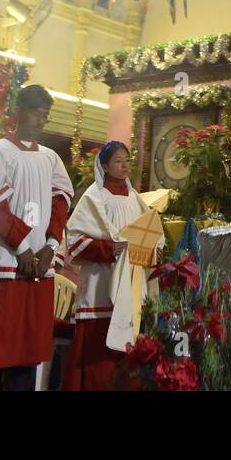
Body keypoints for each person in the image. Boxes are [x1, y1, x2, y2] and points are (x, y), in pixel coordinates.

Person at [0, 86, 73, 390]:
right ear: (19, 111)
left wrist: (49, 246)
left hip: (36, 268)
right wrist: (22, 248)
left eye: (46, 114)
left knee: (25, 354)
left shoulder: (50, 159)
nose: (42, 119)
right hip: (2, 263)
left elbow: (60, 204)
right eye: (37, 111)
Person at [63, 140, 164, 390]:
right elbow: (75, 240)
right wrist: (108, 249)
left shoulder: (134, 198)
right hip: (101, 281)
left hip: (131, 280)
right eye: (118, 161)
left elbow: (153, 235)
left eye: (127, 161)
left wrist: (154, 251)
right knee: (100, 355)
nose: (124, 166)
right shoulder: (94, 197)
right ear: (105, 166)